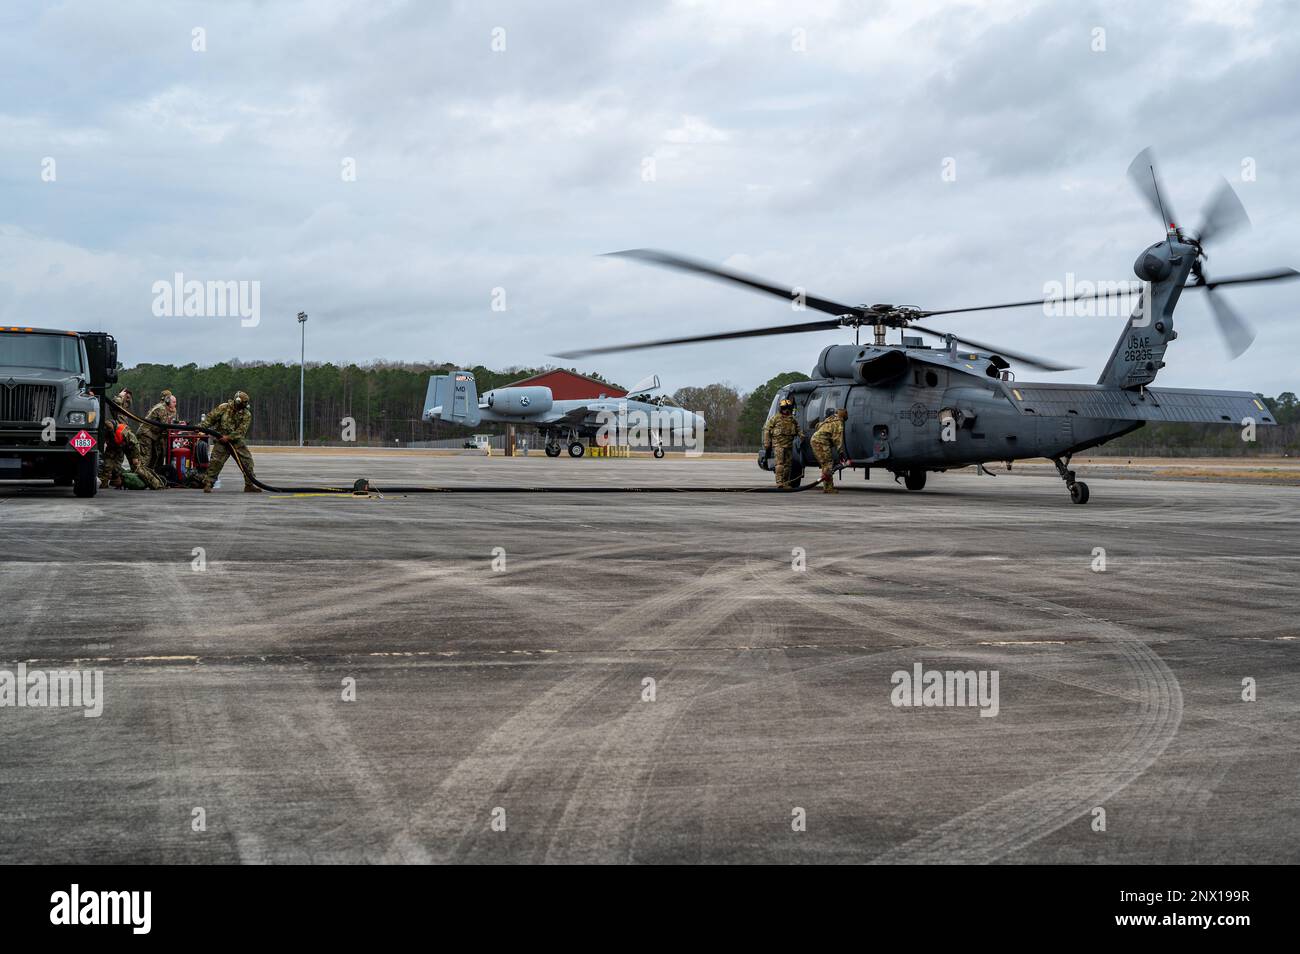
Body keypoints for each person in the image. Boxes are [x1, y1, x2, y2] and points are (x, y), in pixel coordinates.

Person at [188, 391, 259, 493]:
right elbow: (210, 419)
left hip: (236, 441)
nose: (244, 406)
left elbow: (241, 431)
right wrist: (199, 428)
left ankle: (249, 485)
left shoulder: (246, 414)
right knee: (215, 462)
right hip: (221, 440)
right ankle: (208, 484)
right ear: (238, 401)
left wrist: (229, 437)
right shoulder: (223, 408)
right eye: (243, 403)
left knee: (247, 462)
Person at [761, 396, 804, 489]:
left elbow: (798, 428)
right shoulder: (775, 418)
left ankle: (786, 482)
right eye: (784, 408)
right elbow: (767, 430)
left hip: (788, 445)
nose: (786, 410)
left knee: (788, 465)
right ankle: (779, 482)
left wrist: (801, 435)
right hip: (778, 445)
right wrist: (767, 442)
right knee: (779, 464)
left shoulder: (792, 419)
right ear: (781, 409)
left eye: (788, 408)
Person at [98, 387, 134, 488]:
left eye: (129, 398)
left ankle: (115, 479)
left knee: (119, 460)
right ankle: (103, 481)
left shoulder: (125, 408)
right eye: (126, 397)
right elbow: (114, 401)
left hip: (123, 435)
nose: (127, 400)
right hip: (116, 434)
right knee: (109, 460)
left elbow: (128, 402)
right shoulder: (116, 406)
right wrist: (120, 395)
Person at [138, 389, 177, 475]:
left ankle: (148, 476)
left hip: (150, 434)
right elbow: (165, 425)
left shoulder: (161, 406)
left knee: (154, 457)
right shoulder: (162, 408)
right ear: (167, 399)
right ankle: (139, 476)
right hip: (146, 433)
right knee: (146, 457)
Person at [811, 408, 848, 493]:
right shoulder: (839, 423)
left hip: (816, 440)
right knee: (828, 464)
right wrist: (841, 453)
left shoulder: (830, 419)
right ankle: (828, 488)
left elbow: (818, 425)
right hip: (821, 442)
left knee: (826, 464)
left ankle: (827, 487)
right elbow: (837, 439)